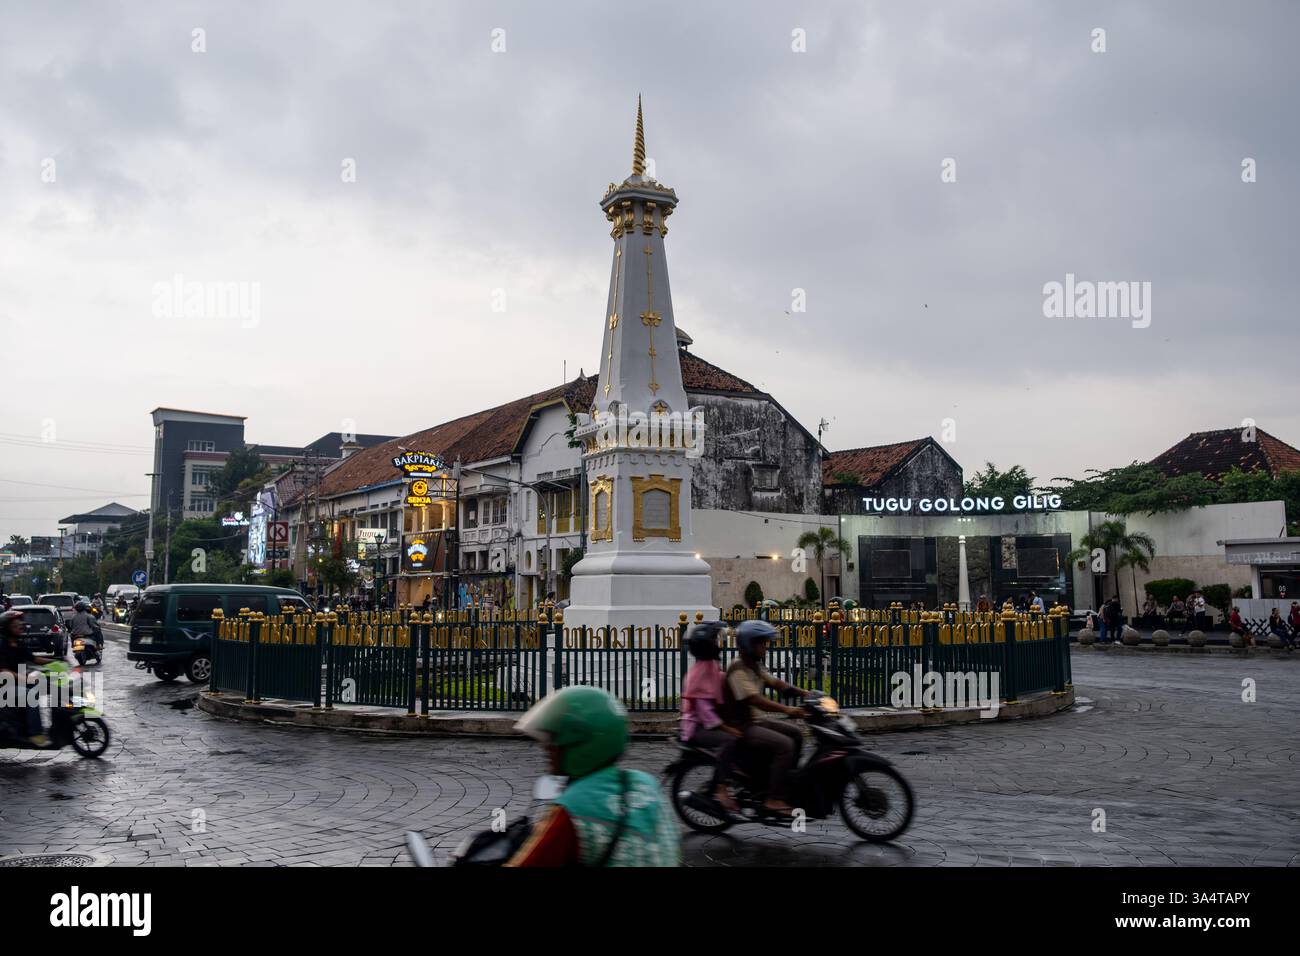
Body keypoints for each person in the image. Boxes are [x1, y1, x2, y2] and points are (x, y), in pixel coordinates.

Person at [506, 686, 679, 867]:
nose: (549, 748)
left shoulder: (575, 807)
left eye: (556, 738)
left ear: (581, 744)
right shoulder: (647, 784)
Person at [723, 620, 807, 818]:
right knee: (785, 745)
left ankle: (783, 782)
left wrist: (807, 693)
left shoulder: (754, 666)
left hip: (757, 721)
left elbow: (777, 683)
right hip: (743, 725)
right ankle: (773, 799)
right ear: (748, 645)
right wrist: (788, 709)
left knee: (796, 734)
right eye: (761, 643)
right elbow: (756, 699)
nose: (765, 648)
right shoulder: (737, 669)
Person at [680, 621, 740, 812]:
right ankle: (720, 789)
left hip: (707, 723)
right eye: (716, 640)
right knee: (731, 741)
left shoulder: (711, 666)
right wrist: (727, 728)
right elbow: (706, 714)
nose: (719, 643)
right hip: (698, 728)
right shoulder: (701, 673)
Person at [0, 609, 52, 746]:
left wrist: (55, 662)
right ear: (7, 628)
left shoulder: (18, 643)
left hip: (16, 683)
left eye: (20, 624)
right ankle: (35, 734)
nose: (21, 626)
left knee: (47, 685)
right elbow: (5, 672)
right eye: (16, 625)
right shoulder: (2, 645)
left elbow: (33, 658)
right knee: (31, 696)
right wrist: (26, 678)